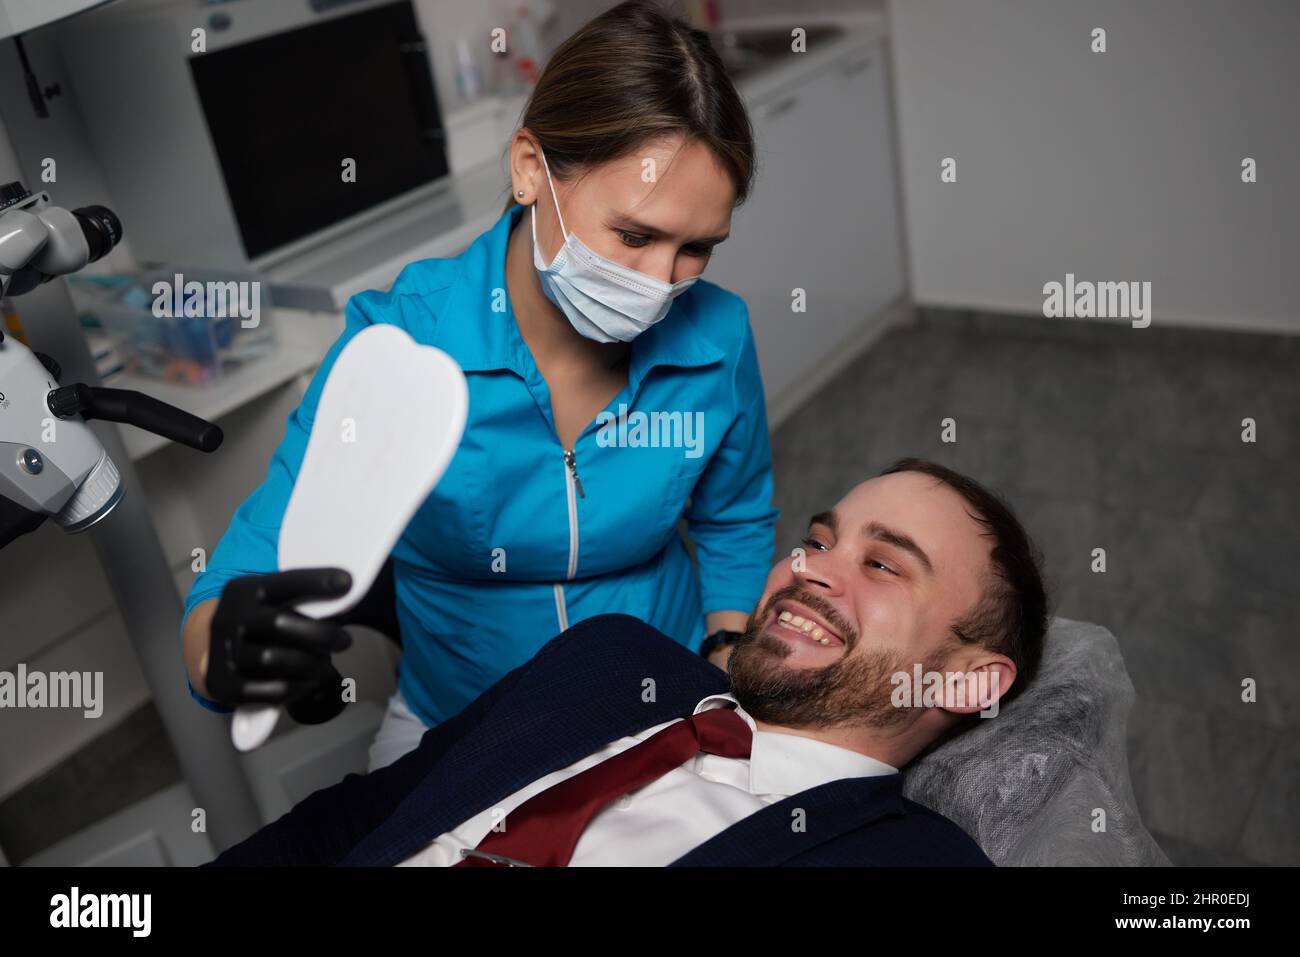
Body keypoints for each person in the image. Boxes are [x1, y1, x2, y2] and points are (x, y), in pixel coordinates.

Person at [179, 0, 778, 770]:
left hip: (658, 694)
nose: (661, 284)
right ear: (532, 169)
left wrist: (724, 651)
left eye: (697, 248)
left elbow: (735, 518)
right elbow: (247, 567)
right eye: (633, 235)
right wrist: (222, 651)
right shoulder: (398, 346)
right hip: (457, 721)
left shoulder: (716, 335)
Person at [206, 458, 1049, 867]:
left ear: (966, 680)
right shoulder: (612, 657)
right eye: (818, 539)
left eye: (882, 564)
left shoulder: (909, 863)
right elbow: (364, 813)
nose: (808, 566)